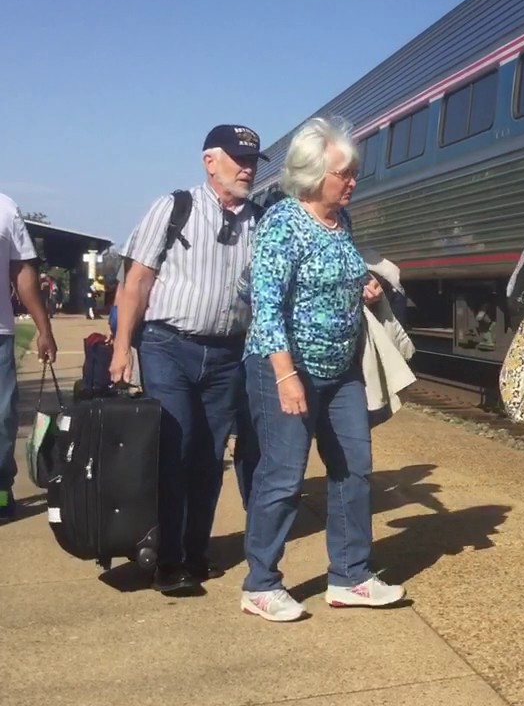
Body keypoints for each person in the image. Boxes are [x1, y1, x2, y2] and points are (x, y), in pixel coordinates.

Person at [240, 117, 404, 622]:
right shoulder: (282, 224)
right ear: (313, 174)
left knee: (354, 469)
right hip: (286, 370)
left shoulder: (342, 223)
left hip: (342, 372)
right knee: (284, 477)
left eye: (354, 172)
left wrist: (364, 290)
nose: (352, 181)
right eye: (343, 173)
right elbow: (266, 309)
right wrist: (287, 377)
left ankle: (351, 576)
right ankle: (261, 584)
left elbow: (337, 280)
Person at [112, 124, 268, 594]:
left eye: (253, 160)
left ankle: (195, 552)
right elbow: (136, 282)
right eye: (238, 158)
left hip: (226, 354)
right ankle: (168, 559)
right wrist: (122, 348)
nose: (247, 167)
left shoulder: (259, 221)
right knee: (176, 448)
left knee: (207, 456)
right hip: (167, 345)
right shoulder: (174, 207)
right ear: (210, 161)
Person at [0, 193, 57, 522]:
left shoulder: (5, 209)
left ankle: (1, 488)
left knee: (3, 419)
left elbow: (22, 273)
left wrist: (43, 328)